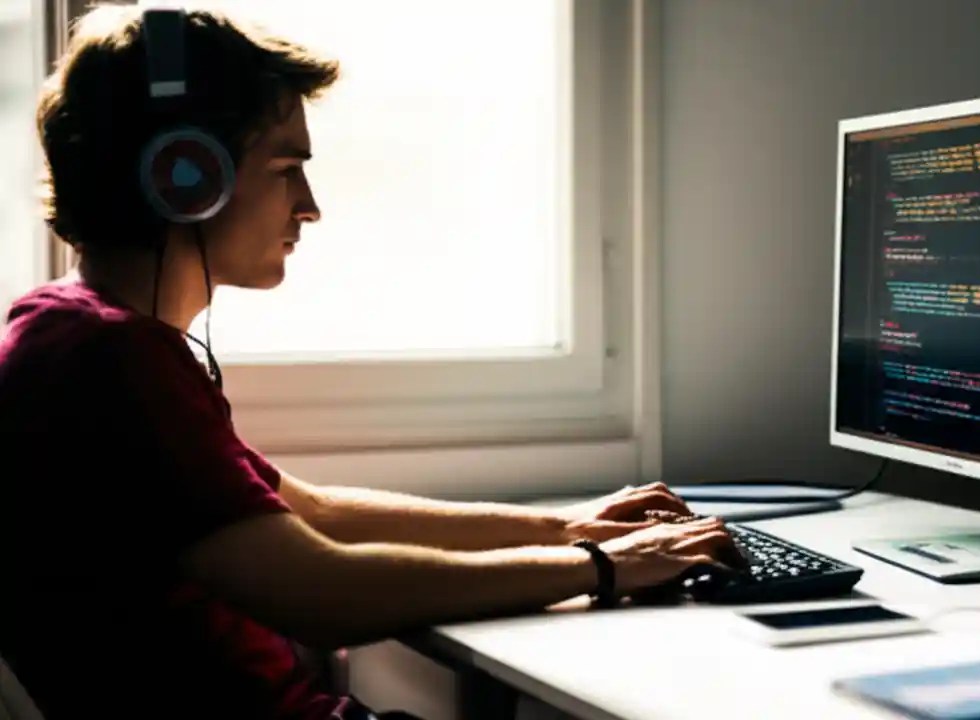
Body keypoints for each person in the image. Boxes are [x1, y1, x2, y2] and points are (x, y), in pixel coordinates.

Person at [0, 6, 739, 719]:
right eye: (286, 168)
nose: (309, 204)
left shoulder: (75, 334)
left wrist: (568, 529)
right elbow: (322, 592)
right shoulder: (107, 359)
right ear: (185, 177)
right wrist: (604, 569)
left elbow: (309, 513)